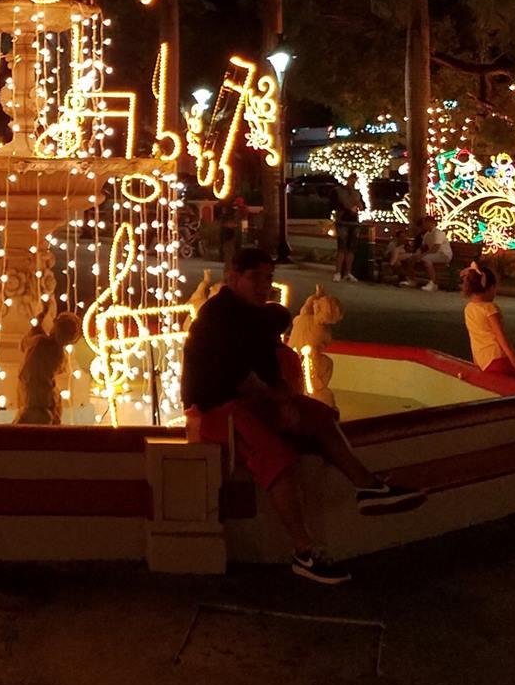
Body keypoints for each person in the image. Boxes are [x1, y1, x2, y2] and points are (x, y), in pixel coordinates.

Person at [183, 247, 427, 585]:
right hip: (215, 407)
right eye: (256, 277)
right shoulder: (218, 316)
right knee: (277, 457)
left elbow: (269, 366)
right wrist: (281, 402)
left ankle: (368, 486)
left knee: (320, 415)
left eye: (268, 278)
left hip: (248, 399)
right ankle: (304, 550)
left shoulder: (253, 315)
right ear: (232, 278)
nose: (264, 285)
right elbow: (237, 376)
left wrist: (288, 399)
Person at [460, 262, 515, 378]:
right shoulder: (490, 308)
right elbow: (500, 336)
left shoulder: (468, 309)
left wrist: (477, 363)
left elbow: (474, 338)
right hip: (498, 358)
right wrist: (514, 359)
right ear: (491, 288)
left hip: (483, 361)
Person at [398, 214, 452, 290]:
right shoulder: (427, 235)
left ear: (431, 223)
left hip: (443, 255)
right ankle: (412, 280)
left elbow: (436, 248)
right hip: (434, 254)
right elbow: (422, 247)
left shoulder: (438, 233)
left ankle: (433, 283)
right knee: (411, 259)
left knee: (426, 259)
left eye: (425, 223)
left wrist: (423, 255)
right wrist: (417, 254)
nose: (424, 225)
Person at [331, 175, 365, 283]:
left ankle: (348, 273)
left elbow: (362, 207)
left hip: (354, 222)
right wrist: (346, 208)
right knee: (342, 247)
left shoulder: (357, 193)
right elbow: (334, 204)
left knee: (351, 249)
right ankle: (338, 272)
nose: (353, 182)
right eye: (352, 179)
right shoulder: (338, 191)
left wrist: (358, 204)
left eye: (355, 180)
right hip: (342, 221)